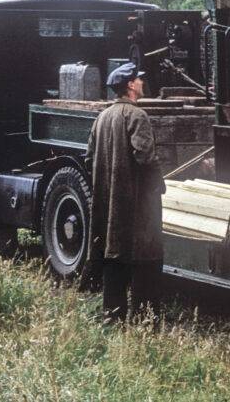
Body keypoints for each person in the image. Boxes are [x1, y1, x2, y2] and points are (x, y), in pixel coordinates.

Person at [84, 62, 165, 323]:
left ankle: (112, 316)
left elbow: (88, 158)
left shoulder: (101, 118)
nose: (142, 82)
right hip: (137, 206)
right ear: (130, 85)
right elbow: (145, 158)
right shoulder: (137, 115)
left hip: (109, 206)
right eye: (139, 80)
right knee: (146, 257)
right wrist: (158, 185)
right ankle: (144, 320)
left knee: (114, 256)